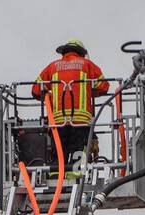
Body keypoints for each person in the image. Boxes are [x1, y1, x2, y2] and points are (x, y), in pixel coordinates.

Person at [31, 39, 108, 171]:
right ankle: (76, 180)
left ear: (64, 52)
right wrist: (88, 90)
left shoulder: (52, 67)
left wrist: (51, 93)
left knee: (58, 157)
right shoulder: (88, 65)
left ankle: (55, 179)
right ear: (81, 53)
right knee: (77, 155)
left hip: (58, 122)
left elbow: (36, 90)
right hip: (81, 121)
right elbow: (104, 87)